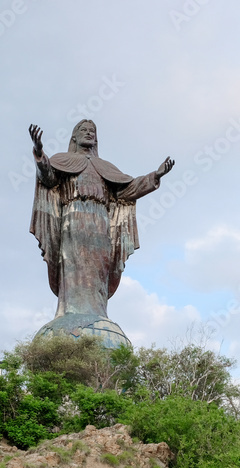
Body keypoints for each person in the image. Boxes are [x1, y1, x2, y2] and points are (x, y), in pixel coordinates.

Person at [29, 120, 173, 327]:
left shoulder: (106, 167)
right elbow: (48, 179)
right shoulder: (63, 160)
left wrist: (155, 176)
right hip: (73, 219)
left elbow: (127, 190)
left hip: (101, 222)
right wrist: (40, 152)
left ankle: (98, 314)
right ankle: (70, 313)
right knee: (73, 263)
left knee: (100, 267)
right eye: (84, 130)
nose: (89, 134)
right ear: (74, 137)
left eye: (92, 132)